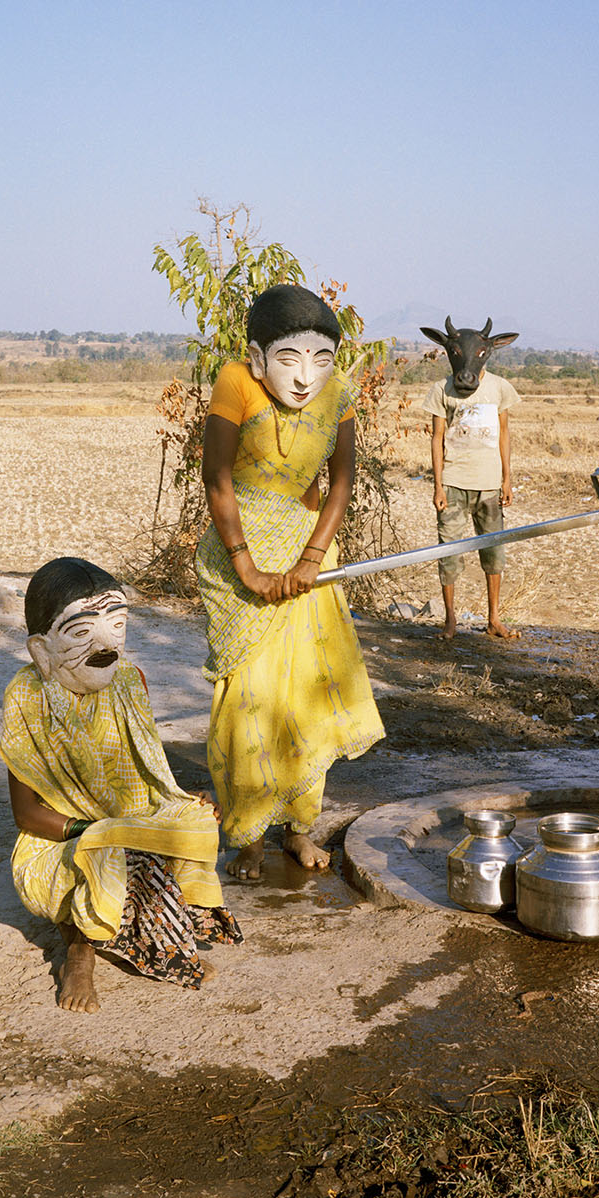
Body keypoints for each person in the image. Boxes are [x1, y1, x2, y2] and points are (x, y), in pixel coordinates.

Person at [196, 283, 384, 881]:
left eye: (321, 361)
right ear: (257, 357)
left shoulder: (339, 398)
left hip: (310, 558)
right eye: (289, 359)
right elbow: (216, 478)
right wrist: (247, 565)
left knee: (308, 694)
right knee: (247, 697)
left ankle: (299, 828)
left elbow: (341, 485)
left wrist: (311, 557)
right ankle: (248, 834)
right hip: (237, 556)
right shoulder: (235, 383)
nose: (306, 378)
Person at [1, 556, 242, 1015]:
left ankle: (144, 936)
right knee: (111, 853)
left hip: (131, 825)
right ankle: (80, 951)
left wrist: (177, 798)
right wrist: (97, 833)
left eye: (118, 623)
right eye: (82, 632)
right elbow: (26, 814)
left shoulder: (131, 682)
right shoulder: (27, 696)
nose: (107, 644)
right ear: (41, 648)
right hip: (62, 841)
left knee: (193, 822)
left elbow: (144, 761)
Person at [421, 320, 521, 641]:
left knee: (493, 552)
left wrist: (507, 480)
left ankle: (494, 619)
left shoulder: (500, 388)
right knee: (449, 552)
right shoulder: (441, 390)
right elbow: (437, 439)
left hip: (490, 486)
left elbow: (505, 433)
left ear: (488, 353)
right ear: (449, 353)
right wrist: (438, 486)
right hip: (452, 484)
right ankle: (450, 622)